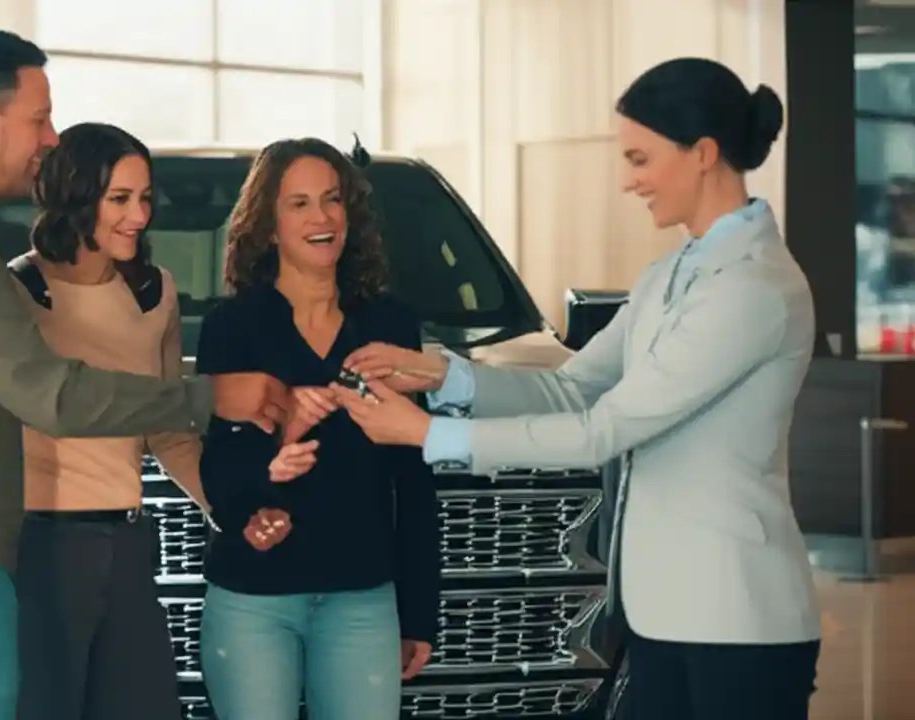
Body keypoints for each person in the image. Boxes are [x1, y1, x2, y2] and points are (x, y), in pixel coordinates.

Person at [331, 57, 821, 720]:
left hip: (738, 616)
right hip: (662, 614)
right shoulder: (667, 275)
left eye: (640, 159)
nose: (628, 180)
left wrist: (429, 434)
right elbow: (575, 389)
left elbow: (605, 430)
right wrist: (446, 374)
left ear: (702, 153)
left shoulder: (754, 288)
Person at [0, 29, 286, 720]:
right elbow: (53, 395)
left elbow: (142, 428)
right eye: (38, 118)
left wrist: (228, 503)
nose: (50, 137)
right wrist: (209, 395)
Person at [193, 137, 441, 720]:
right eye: (299, 204)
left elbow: (414, 478)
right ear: (269, 225)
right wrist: (269, 466)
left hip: (362, 600)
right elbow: (216, 469)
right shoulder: (232, 327)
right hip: (253, 601)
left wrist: (419, 613)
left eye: (332, 199)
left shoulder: (389, 325)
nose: (322, 218)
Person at [8, 122, 212, 719]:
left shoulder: (155, 292)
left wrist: (233, 509)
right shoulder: (16, 291)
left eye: (144, 198)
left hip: (128, 541)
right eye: (120, 199)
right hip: (39, 545)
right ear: (76, 195)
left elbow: (169, 428)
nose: (139, 216)